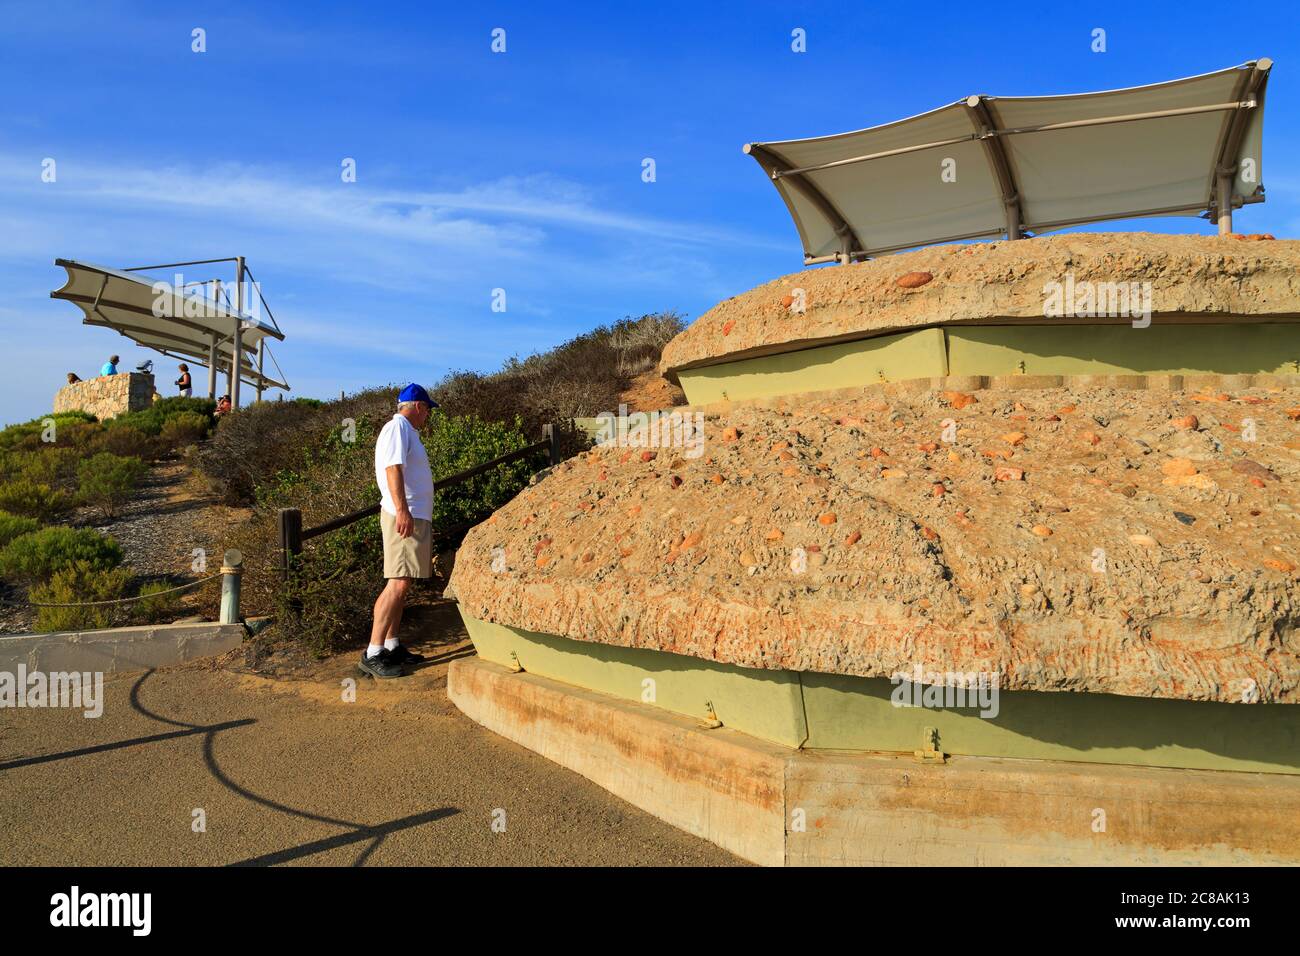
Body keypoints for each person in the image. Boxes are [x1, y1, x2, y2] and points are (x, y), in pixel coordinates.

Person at [360, 383, 441, 679]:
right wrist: (403, 510)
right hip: (404, 515)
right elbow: (393, 469)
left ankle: (391, 645)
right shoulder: (398, 428)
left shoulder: (405, 431)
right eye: (427, 410)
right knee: (396, 582)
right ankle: (373, 651)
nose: (428, 416)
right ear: (418, 406)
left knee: (403, 582)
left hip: (413, 515)